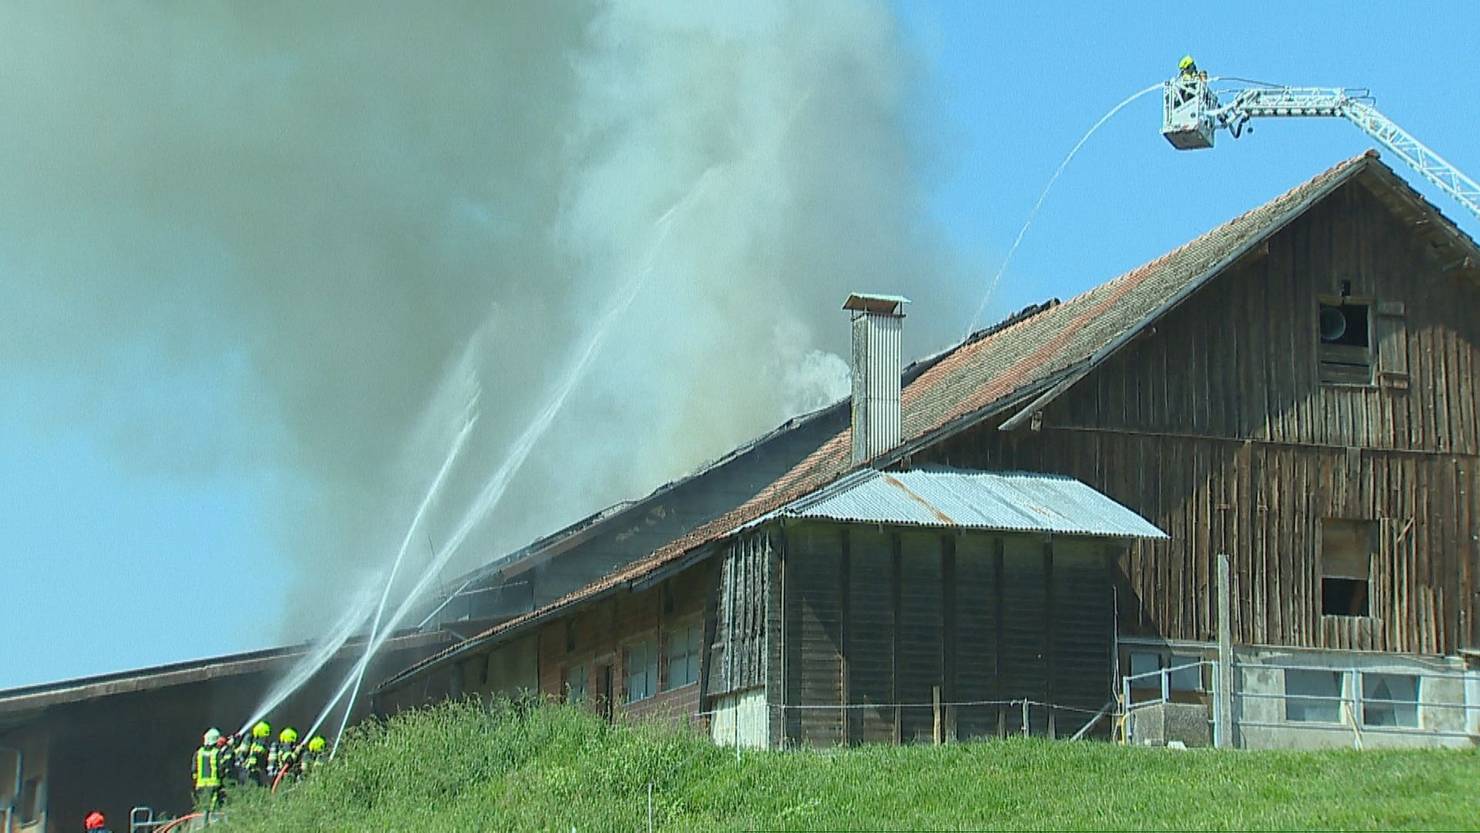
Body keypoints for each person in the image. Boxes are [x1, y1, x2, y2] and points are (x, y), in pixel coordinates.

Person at [193, 729, 224, 810]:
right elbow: (221, 769)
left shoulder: (198, 753)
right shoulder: (217, 753)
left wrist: (196, 781)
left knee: (203, 805)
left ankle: (203, 820)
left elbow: (194, 769)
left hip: (200, 785)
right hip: (214, 785)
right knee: (213, 807)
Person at [244, 721, 271, 787]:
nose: (267, 738)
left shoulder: (255, 743)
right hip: (255, 773)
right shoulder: (260, 745)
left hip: (253, 771)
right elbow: (255, 757)